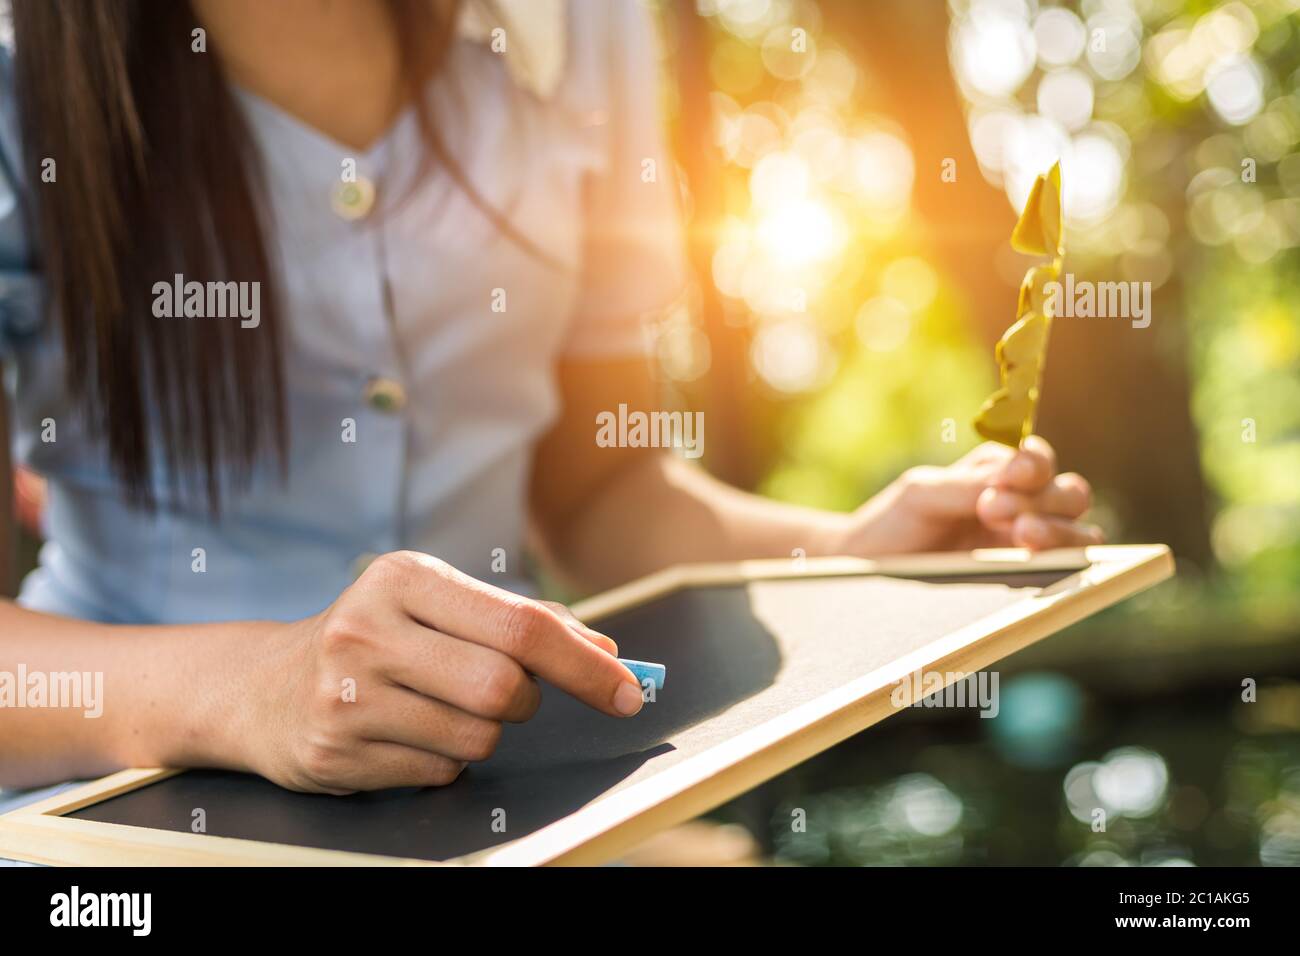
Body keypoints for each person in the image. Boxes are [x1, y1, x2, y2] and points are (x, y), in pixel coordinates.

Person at [0, 0, 1101, 795]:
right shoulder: (24, 67)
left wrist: (842, 560)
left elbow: (596, 485)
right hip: (109, 823)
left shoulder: (584, 28)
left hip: (509, 798)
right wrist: (241, 689)